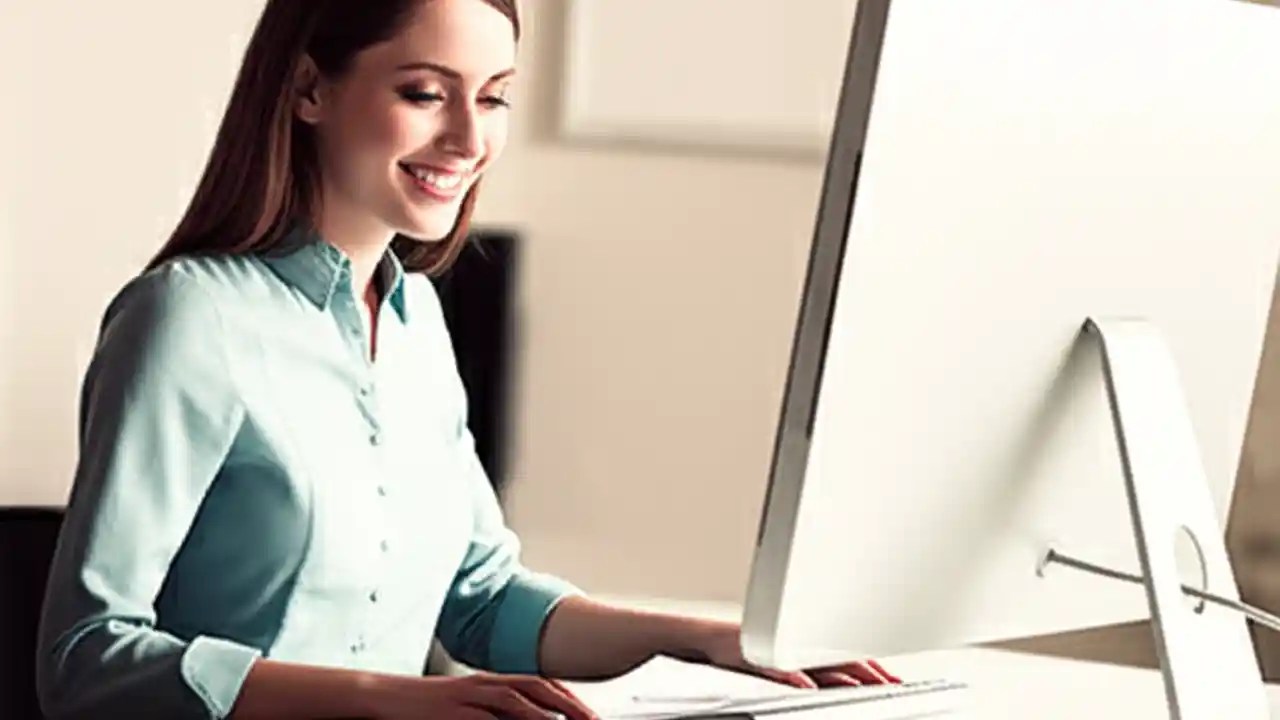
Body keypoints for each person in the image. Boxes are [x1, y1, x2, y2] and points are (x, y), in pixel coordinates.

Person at [34, 1, 898, 718]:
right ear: (306, 89)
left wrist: (713, 641)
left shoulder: (417, 324)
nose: (466, 138)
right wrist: (390, 700)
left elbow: (482, 601)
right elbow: (85, 657)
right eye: (424, 93)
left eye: (493, 99)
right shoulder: (190, 317)